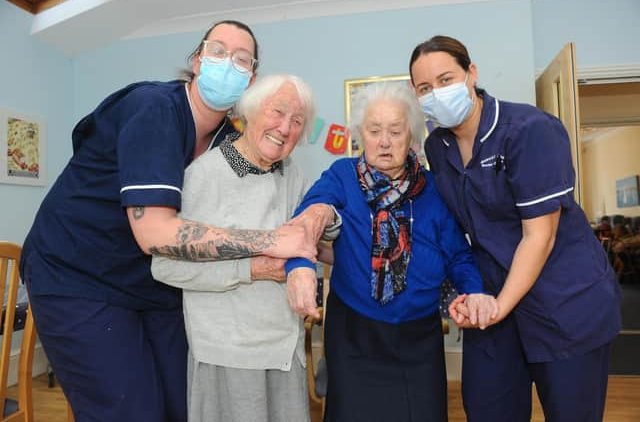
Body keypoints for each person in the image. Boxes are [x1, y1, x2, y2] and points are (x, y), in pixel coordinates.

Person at [19, 21, 317, 422]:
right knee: (131, 411)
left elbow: (289, 199)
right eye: (217, 51)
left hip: (149, 283)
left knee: (184, 404)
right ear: (196, 60)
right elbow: (155, 233)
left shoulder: (227, 144)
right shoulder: (154, 109)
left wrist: (312, 229)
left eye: (242, 59)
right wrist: (270, 242)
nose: (228, 63)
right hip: (78, 273)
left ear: (252, 80)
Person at [409, 35, 621, 422]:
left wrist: (498, 306)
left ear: (471, 74)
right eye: (424, 88)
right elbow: (455, 230)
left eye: (445, 79)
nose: (436, 93)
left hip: (564, 301)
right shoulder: (437, 146)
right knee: (487, 408)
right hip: (493, 302)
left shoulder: (530, 130)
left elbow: (540, 236)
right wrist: (464, 295)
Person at [285, 82, 497, 422]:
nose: (384, 141)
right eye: (374, 130)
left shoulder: (433, 188)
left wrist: (475, 291)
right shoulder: (343, 176)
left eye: (395, 131)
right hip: (354, 333)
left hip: (419, 338)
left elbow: (459, 255)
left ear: (412, 137)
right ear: (359, 136)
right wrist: (299, 266)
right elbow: (308, 217)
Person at [151, 74, 323, 422]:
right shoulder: (203, 175)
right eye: (278, 112)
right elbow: (165, 266)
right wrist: (253, 268)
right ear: (250, 111)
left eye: (297, 121)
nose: (285, 127)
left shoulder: (292, 174)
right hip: (227, 353)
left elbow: (315, 234)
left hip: (285, 351)